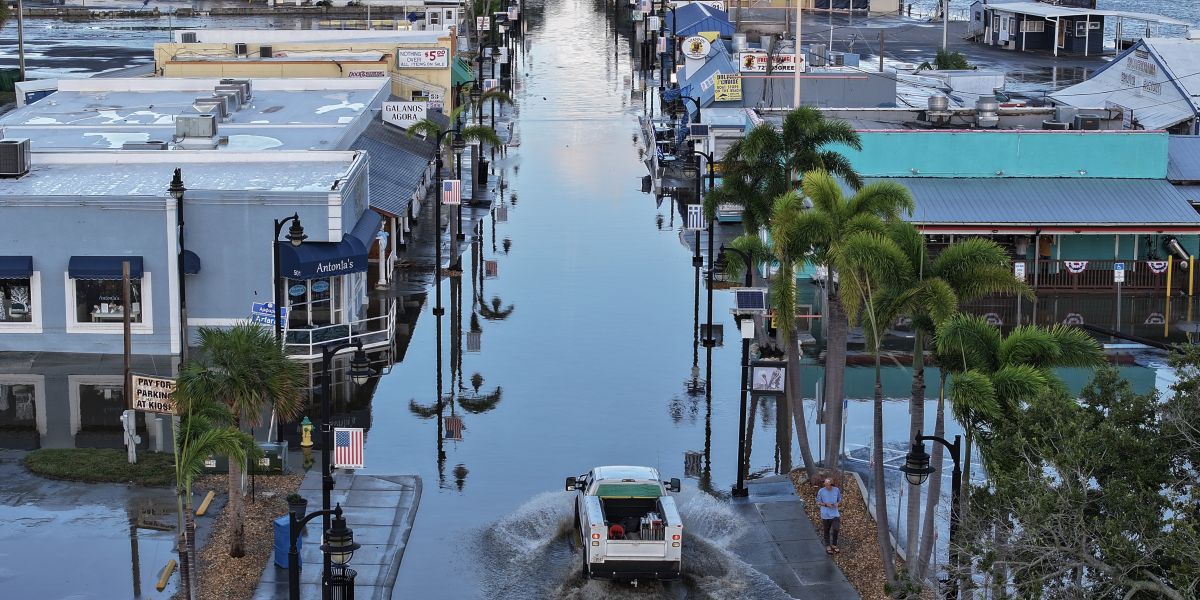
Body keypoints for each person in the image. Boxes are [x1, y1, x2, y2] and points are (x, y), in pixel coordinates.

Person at [816, 478, 842, 554]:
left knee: (836, 528)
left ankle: (834, 544)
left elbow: (840, 500)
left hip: (835, 513)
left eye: (828, 484)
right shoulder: (821, 491)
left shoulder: (836, 490)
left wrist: (838, 503)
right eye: (825, 484)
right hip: (825, 514)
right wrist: (826, 504)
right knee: (826, 530)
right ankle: (827, 545)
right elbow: (818, 502)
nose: (826, 485)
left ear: (831, 484)